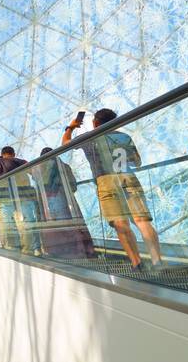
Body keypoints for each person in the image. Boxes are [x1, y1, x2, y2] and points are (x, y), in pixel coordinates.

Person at [63, 109, 163, 270]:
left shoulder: (90, 138)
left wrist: (71, 127)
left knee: (120, 223)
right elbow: (137, 162)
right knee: (142, 221)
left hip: (106, 181)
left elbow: (65, 144)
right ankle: (157, 261)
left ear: (95, 122)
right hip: (128, 178)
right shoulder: (124, 137)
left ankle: (136, 263)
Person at [35, 148, 95, 258]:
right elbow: (73, 186)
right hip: (66, 200)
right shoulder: (64, 166)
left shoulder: (39, 168)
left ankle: (59, 251)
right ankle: (81, 250)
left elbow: (39, 187)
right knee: (71, 225)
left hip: (47, 203)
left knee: (55, 227)